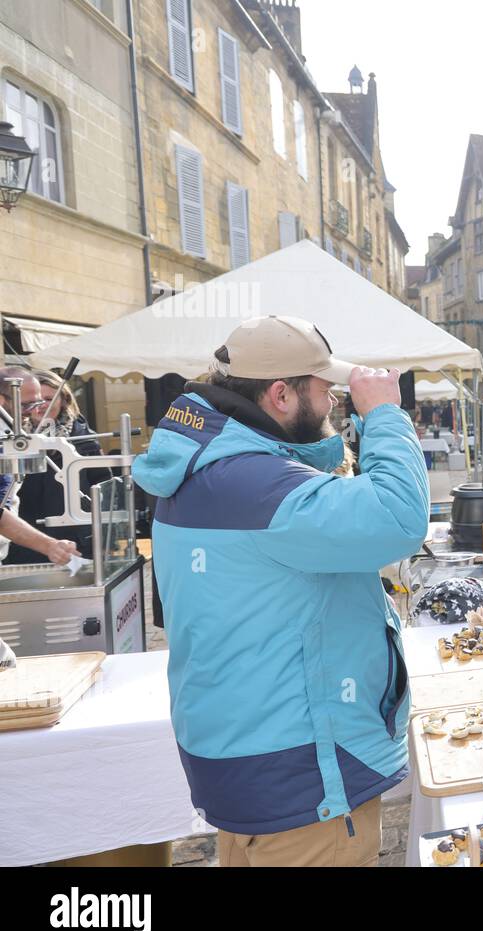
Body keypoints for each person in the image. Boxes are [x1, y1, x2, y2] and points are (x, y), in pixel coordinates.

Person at [133, 315, 429, 866]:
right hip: (302, 781)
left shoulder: (204, 469)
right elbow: (399, 518)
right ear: (280, 394)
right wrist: (386, 415)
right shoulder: (255, 484)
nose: (336, 402)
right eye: (325, 389)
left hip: (245, 761)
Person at [3, 370, 107, 565]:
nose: (40, 406)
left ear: (64, 400)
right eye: (33, 402)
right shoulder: (12, 440)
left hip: (75, 545)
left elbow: (103, 489)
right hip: (23, 545)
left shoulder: (84, 440)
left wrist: (101, 539)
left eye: (48, 399)